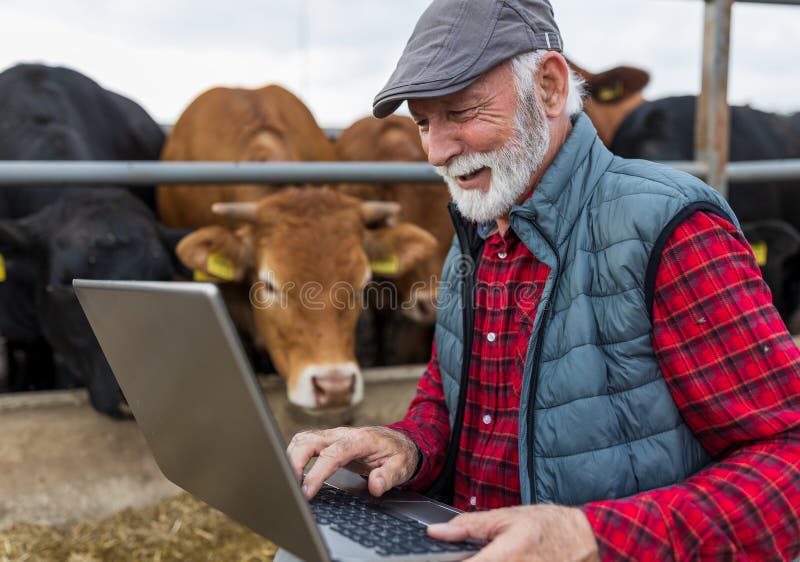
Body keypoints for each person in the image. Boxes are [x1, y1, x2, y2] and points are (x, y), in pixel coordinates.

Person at [286, 1, 800, 560]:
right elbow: (453, 408)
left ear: (551, 88)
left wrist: (588, 536)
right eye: (424, 122)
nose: (436, 151)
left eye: (462, 112)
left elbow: (789, 462)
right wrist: (403, 445)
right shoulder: (478, 227)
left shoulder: (669, 228)